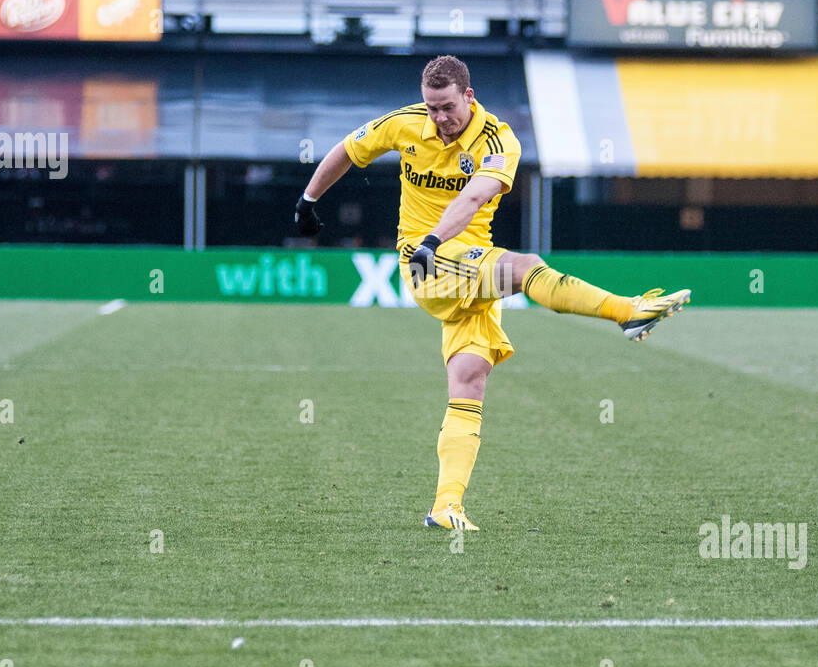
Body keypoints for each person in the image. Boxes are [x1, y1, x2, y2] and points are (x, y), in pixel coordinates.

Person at [293, 56, 690, 532]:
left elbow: (474, 197)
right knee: (525, 268)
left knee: (469, 382)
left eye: (447, 108)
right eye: (431, 107)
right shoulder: (405, 124)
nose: (439, 118)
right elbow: (348, 149)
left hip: (457, 259)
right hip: (425, 263)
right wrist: (308, 199)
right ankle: (628, 311)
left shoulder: (499, 140)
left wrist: (435, 240)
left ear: (469, 97)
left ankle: (446, 506)